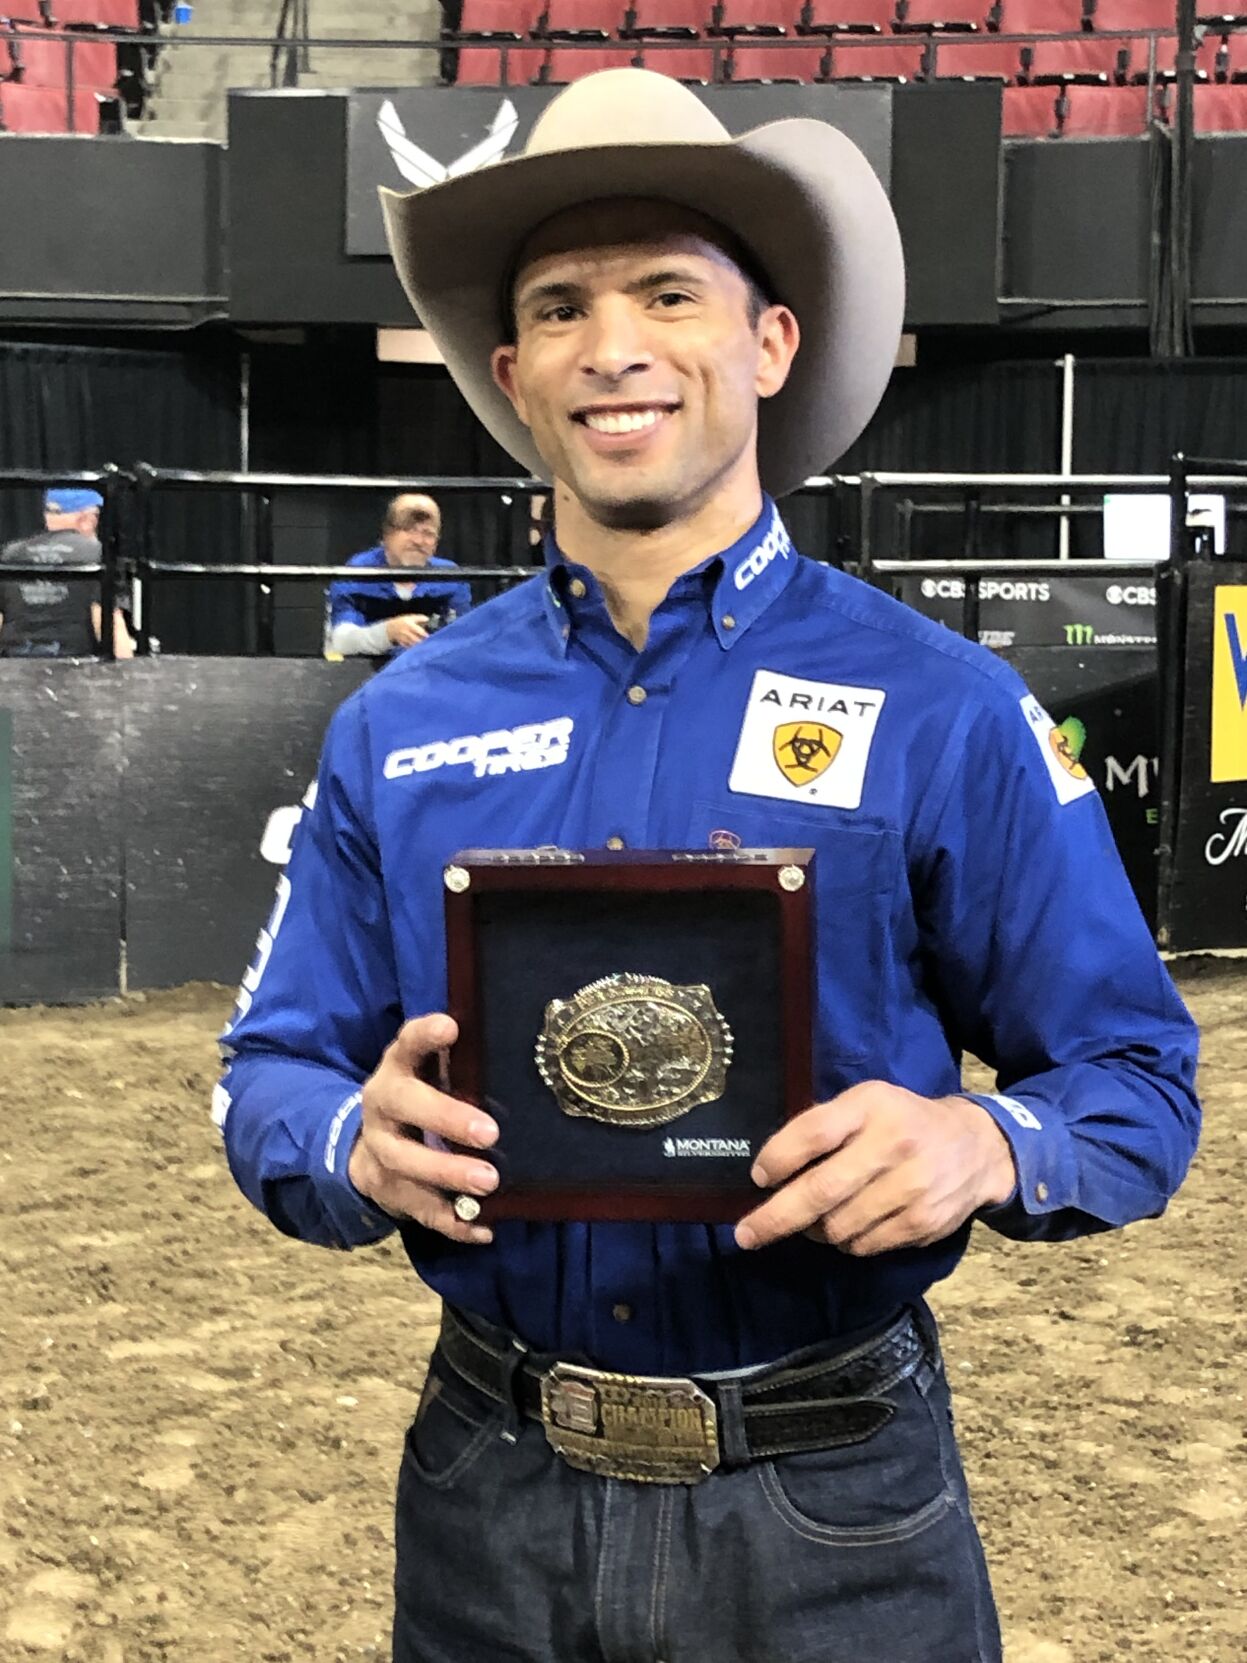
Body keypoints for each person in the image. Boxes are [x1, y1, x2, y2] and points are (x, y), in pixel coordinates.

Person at [215, 69, 1200, 1663]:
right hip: (487, 1493)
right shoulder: (397, 725)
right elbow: (268, 1065)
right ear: (512, 365)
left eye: (667, 289)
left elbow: (1136, 1079)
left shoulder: (939, 707)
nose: (612, 345)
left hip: (831, 1508)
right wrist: (343, 1133)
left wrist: (985, 1140)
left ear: (768, 343)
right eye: (559, 305)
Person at [325, 491, 471, 659]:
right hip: (369, 678)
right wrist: (388, 633)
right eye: (409, 529)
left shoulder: (449, 577)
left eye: (428, 533)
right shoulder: (358, 572)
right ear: (387, 534)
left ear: (436, 542)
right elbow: (341, 641)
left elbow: (463, 640)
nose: (418, 541)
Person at [0, 487, 134, 659]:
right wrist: (131, 678)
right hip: (76, 671)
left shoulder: (10, 553)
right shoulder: (100, 555)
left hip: (16, 667)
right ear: (86, 517)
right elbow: (109, 624)